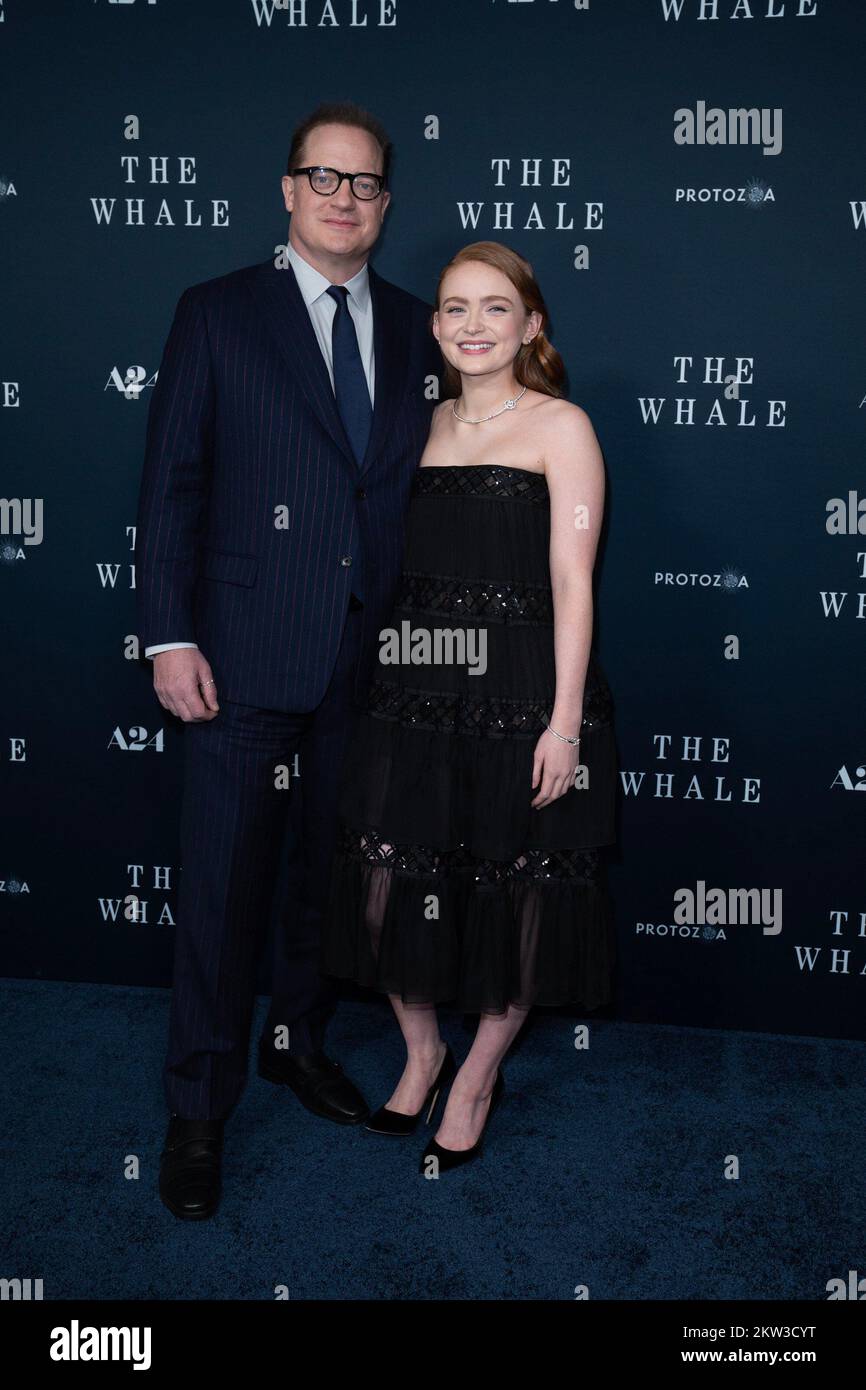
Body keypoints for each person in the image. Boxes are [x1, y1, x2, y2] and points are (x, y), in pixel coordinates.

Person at [135, 101, 441, 1218]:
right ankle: (199, 1109)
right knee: (218, 896)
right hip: (239, 657)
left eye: (362, 183)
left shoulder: (417, 327)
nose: (342, 198)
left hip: (369, 668)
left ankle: (294, 1041)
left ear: (385, 203)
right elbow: (172, 481)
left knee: (326, 885)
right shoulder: (216, 313)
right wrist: (169, 634)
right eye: (323, 177)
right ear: (285, 189)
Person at [321, 240, 617, 1172]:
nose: (473, 326)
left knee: (515, 888)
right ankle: (422, 1053)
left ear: (531, 325)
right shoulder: (418, 426)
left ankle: (481, 1072)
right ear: (435, 326)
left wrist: (563, 722)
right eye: (455, 308)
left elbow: (574, 579)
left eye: (496, 308)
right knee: (387, 871)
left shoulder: (561, 427)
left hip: (524, 690)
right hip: (415, 683)